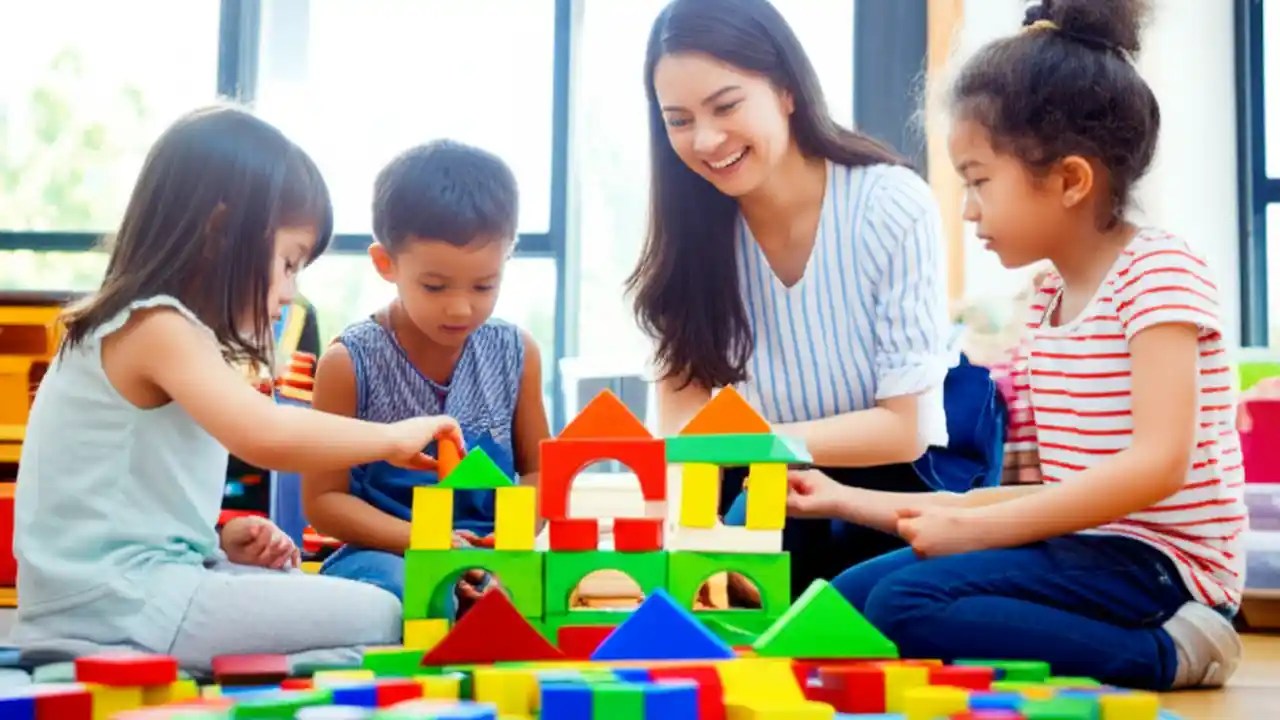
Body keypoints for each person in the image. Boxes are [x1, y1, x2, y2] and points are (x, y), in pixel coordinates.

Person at [787, 0, 1245, 690]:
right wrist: (844, 498)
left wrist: (980, 536)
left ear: (1068, 180)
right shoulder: (1043, 305)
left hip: (1165, 568)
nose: (967, 209)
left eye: (978, 182)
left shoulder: (1159, 273)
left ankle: (1168, 652)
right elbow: (1011, 501)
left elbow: (1158, 464)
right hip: (1082, 552)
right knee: (854, 596)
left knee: (905, 603)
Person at [12, 105, 463, 674]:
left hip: (119, 599)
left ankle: (209, 662)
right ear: (221, 233)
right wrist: (393, 438)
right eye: (289, 263)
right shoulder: (157, 326)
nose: (290, 293)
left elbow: (119, 505)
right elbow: (267, 433)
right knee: (390, 614)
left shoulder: (141, 328)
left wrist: (220, 542)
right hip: (127, 607)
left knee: (348, 606)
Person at [627, 0, 1000, 601]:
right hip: (773, 484)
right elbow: (679, 440)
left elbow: (904, 430)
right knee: (741, 604)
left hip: (905, 478)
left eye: (726, 105)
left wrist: (746, 443)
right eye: (678, 119)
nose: (705, 139)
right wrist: (687, 550)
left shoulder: (889, 205)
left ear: (785, 90)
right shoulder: (688, 241)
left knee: (875, 605)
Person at [303, 140, 550, 618]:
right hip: (388, 555)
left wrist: (505, 550)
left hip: (494, 555)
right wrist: (428, 542)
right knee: (409, 598)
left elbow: (539, 470)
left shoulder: (517, 354)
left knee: (547, 601)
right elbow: (324, 500)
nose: (461, 307)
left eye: (484, 285)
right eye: (434, 286)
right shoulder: (348, 363)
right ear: (385, 264)